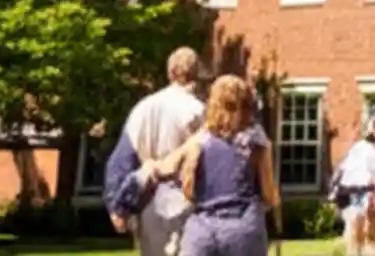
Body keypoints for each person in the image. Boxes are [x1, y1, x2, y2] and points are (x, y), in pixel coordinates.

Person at [149, 74, 280, 256]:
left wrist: (151, 165)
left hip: (203, 232)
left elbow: (167, 167)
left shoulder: (200, 139)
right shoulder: (256, 140)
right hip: (244, 230)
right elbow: (268, 193)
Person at [103, 47, 206, 256]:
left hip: (150, 201)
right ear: (196, 74)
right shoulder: (199, 112)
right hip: (188, 201)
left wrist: (116, 205)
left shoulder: (144, 108)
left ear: (170, 73)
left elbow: (121, 160)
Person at [333, 116, 375, 256]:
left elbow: (341, 169)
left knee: (359, 229)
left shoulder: (360, 149)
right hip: (357, 192)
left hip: (352, 192)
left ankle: (366, 250)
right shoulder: (370, 151)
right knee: (360, 228)